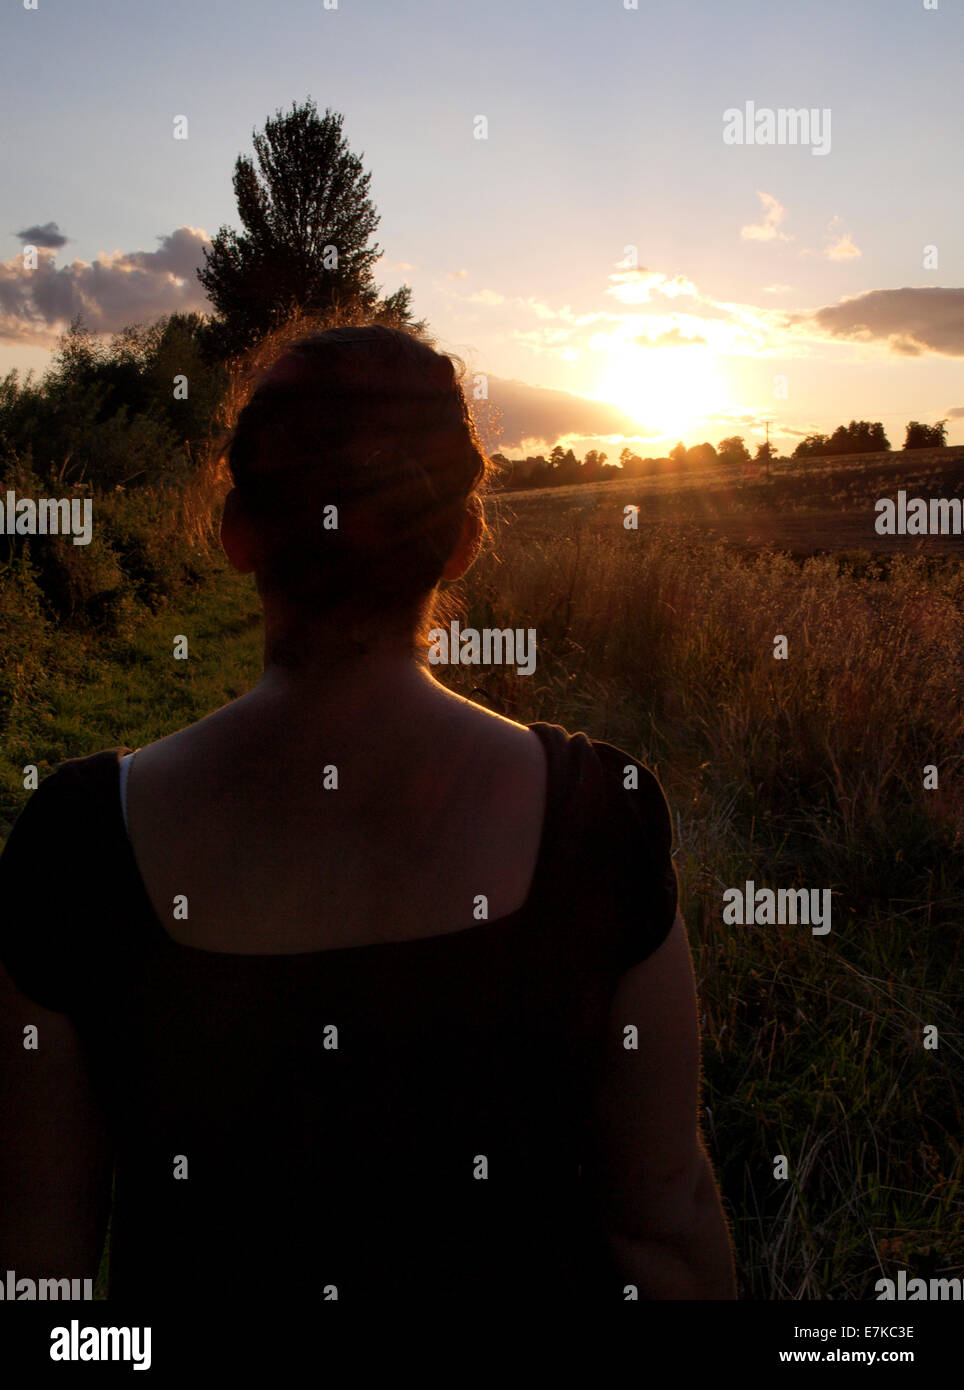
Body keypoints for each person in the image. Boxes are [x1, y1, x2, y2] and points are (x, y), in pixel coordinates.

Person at [0, 325, 735, 1305]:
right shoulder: (599, 817)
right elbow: (666, 1222)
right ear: (464, 542)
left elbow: (37, 1268)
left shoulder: (78, 843)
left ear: (236, 533)